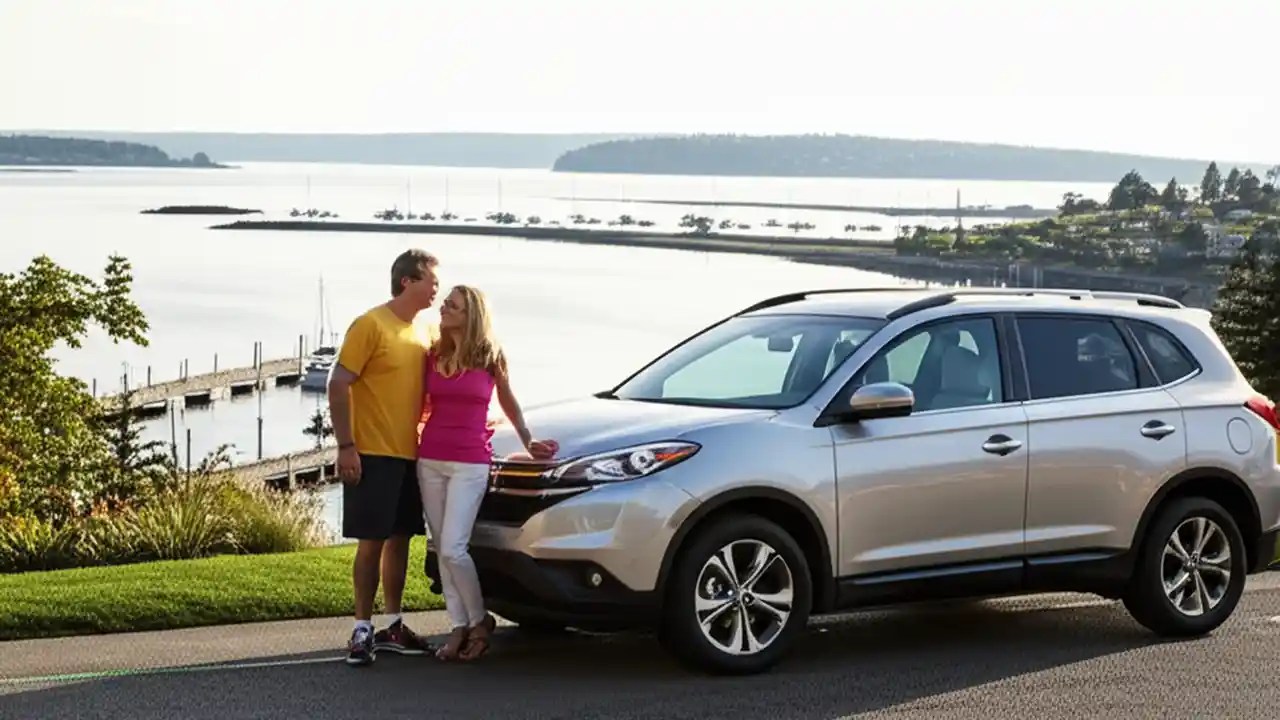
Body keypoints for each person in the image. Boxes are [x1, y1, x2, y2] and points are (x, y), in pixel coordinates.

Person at [417, 284, 557, 661]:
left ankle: (478, 622)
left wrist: (527, 440)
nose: (443, 308)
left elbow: (507, 399)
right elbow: (416, 404)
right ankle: (458, 625)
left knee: (453, 547)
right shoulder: (432, 354)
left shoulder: (490, 356)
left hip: (470, 462)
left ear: (471, 315)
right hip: (428, 459)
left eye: (453, 305)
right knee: (441, 549)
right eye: (445, 302)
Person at [329, 248, 441, 667]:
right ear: (407, 282)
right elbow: (338, 384)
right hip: (371, 453)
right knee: (371, 542)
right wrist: (346, 446)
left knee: (401, 539)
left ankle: (392, 624)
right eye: (432, 281)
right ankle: (362, 627)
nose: (436, 289)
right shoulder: (370, 325)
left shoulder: (424, 332)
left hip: (410, 454)